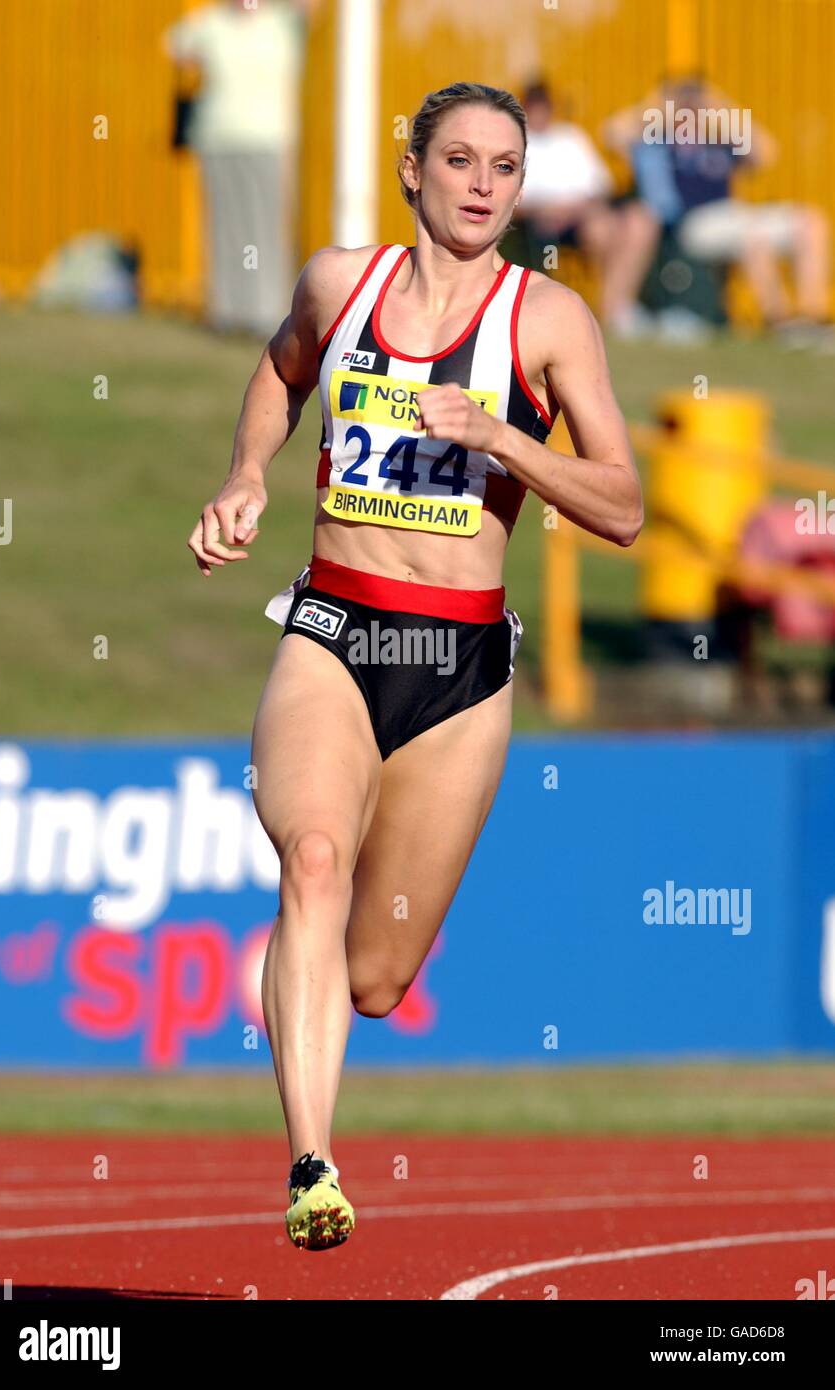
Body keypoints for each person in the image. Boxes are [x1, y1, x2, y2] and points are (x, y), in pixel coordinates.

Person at [187, 81, 643, 1250]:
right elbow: (283, 370)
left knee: (376, 978)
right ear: (413, 168)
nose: (483, 185)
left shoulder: (546, 322)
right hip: (336, 630)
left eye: (504, 165)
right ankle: (312, 1167)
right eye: (460, 161)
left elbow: (624, 506)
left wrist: (499, 437)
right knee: (319, 856)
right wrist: (245, 478)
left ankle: (300, 975)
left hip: (461, 665)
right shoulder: (342, 284)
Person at [603, 75, 834, 346]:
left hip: (735, 215)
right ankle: (781, 322)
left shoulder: (719, 139)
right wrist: (660, 105)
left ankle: (813, 318)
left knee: (811, 223)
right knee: (752, 236)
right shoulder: (659, 142)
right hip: (695, 224)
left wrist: (718, 104)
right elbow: (612, 133)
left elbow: (767, 152)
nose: (690, 108)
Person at [163, 0, 312, 337]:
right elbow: (175, 45)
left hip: (268, 138)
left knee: (266, 226)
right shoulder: (211, 23)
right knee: (226, 224)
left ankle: (268, 311)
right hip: (219, 137)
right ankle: (227, 309)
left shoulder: (283, 21)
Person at [516, 82, 659, 334]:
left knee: (641, 222)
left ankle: (616, 307)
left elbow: (600, 187)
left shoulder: (571, 137)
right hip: (542, 223)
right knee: (599, 231)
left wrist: (576, 208)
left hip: (583, 214)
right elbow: (513, 197)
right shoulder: (517, 141)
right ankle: (615, 309)